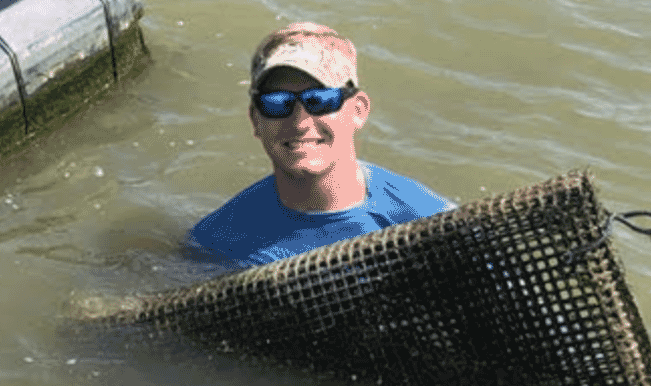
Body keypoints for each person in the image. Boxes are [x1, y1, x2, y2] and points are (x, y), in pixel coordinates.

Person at [189, 22, 454, 267]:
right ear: (255, 119)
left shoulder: (430, 225)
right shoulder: (214, 243)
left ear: (358, 110)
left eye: (320, 100)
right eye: (277, 103)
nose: (300, 122)